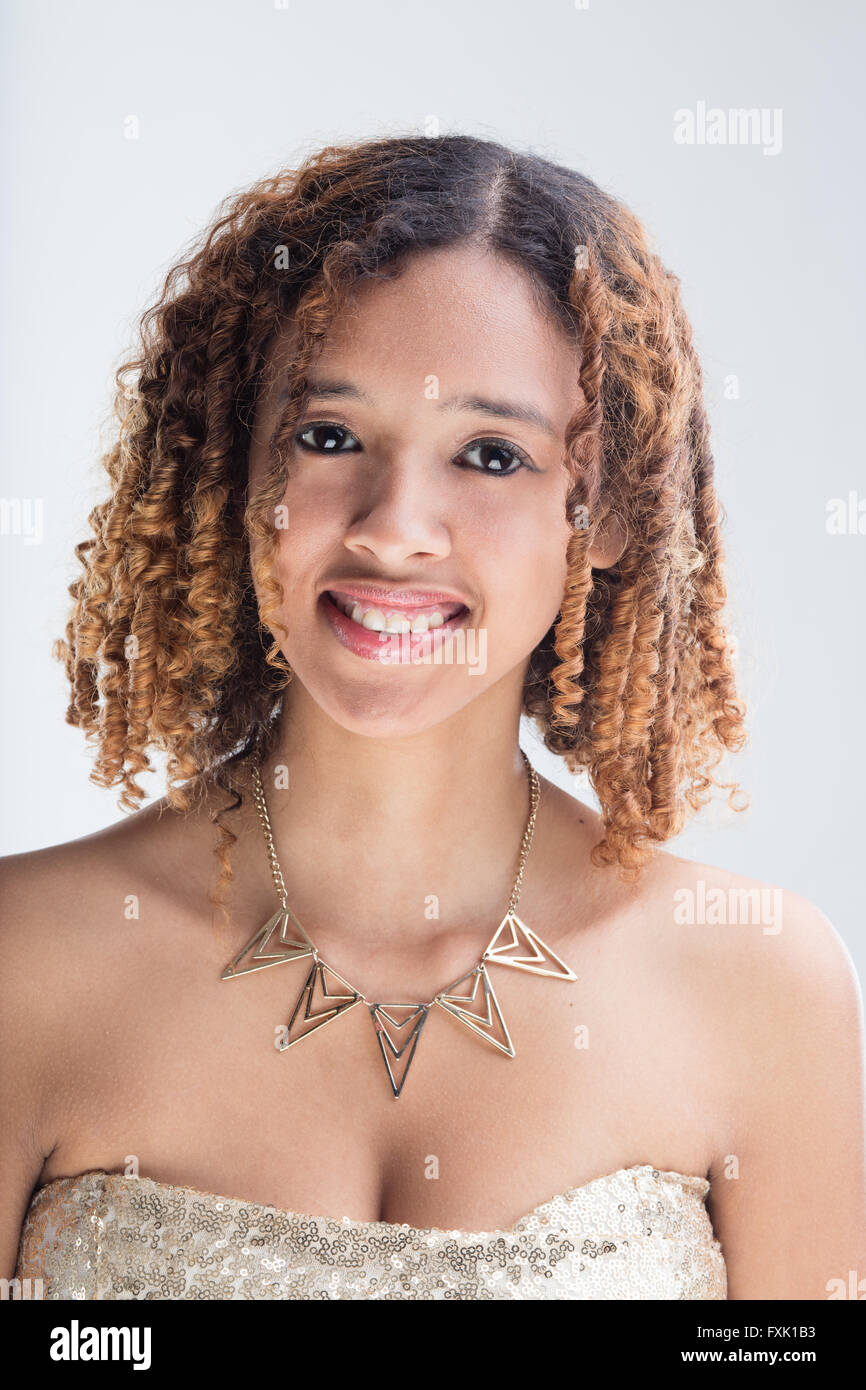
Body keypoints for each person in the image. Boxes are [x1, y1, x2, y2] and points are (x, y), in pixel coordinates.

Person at [2, 134, 863, 1301]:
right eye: (327, 437)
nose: (394, 525)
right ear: (235, 469)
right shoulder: (25, 961)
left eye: (490, 455)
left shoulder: (759, 985)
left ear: (598, 513)